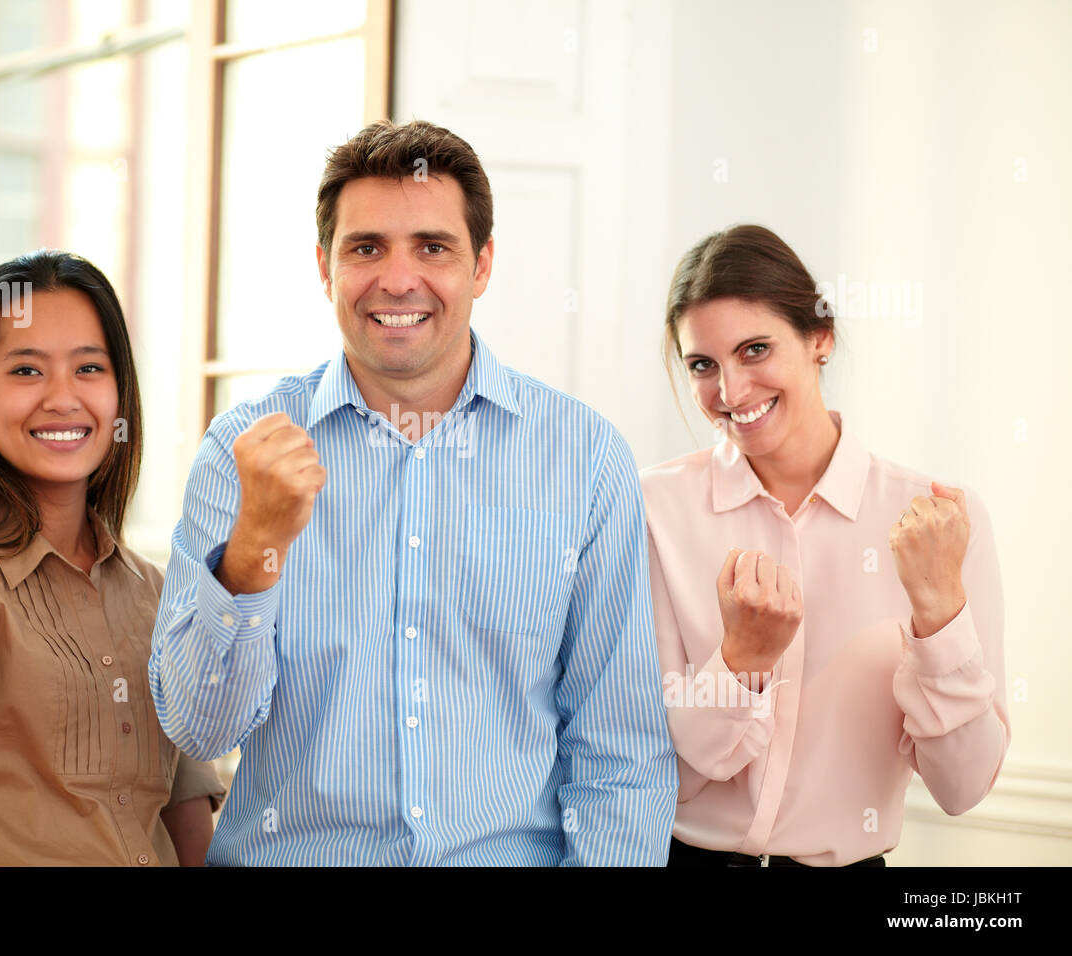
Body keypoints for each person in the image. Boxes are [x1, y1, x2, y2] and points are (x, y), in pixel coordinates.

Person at [150, 120, 677, 866]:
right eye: (366, 248)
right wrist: (252, 550)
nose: (398, 280)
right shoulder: (239, 453)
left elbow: (620, 750)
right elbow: (199, 729)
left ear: (482, 265)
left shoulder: (584, 458)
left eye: (433, 247)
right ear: (326, 268)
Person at [640, 224, 1008, 866]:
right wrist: (742, 661)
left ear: (820, 338)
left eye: (755, 350)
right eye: (703, 365)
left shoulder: (943, 521)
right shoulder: (652, 509)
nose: (731, 392)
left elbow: (963, 787)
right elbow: (658, 768)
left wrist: (939, 614)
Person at [0, 250, 225, 866]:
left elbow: (185, 814)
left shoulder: (156, 592)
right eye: (26, 370)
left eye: (89, 368)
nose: (62, 398)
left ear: (119, 394)